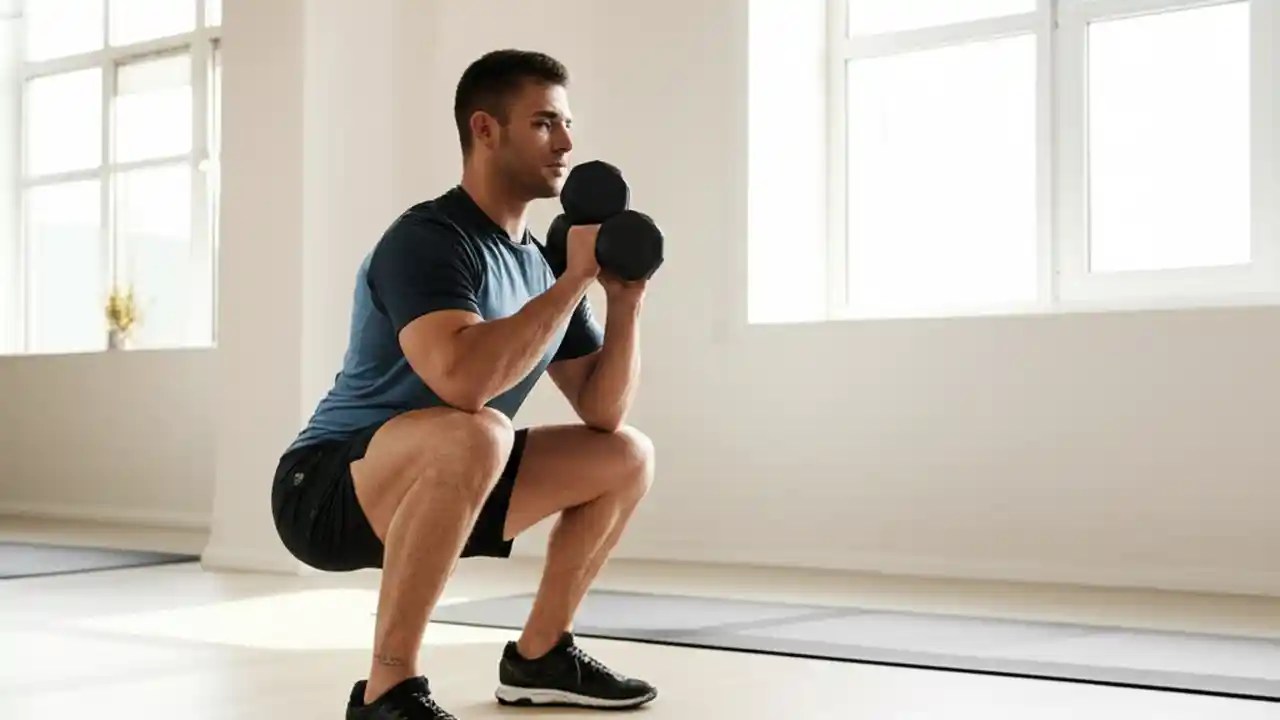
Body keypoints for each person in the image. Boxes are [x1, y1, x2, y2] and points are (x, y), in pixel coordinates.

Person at [270, 49, 658, 719]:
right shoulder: (428, 239)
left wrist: (622, 300)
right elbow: (463, 381)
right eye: (544, 123)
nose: (566, 142)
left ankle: (540, 657)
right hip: (329, 490)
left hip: (458, 471)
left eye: (568, 123)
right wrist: (572, 284)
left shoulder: (541, 265)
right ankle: (387, 692)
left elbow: (602, 409)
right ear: (485, 129)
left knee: (626, 454)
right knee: (479, 429)